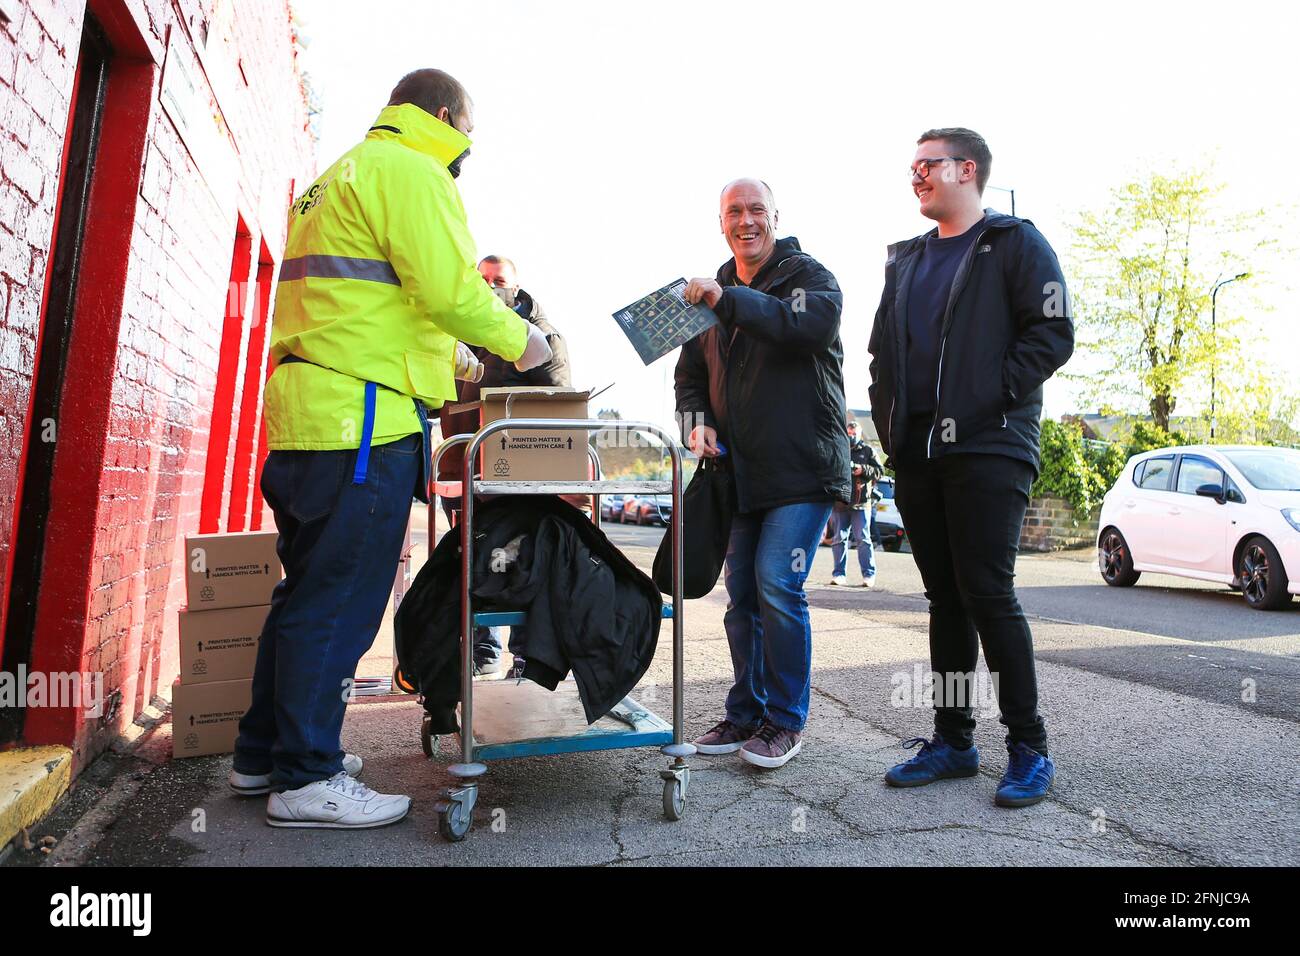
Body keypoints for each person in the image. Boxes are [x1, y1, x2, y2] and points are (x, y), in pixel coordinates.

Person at [229, 69, 552, 829]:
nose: (468, 146)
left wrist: (451, 361)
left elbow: (377, 306)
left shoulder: (338, 174)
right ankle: (305, 778)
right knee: (338, 600)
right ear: (443, 116)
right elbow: (448, 291)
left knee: (305, 590)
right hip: (363, 424)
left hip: (314, 415)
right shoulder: (414, 169)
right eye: (467, 131)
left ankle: (263, 753)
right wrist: (520, 341)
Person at [868, 128, 1073, 807]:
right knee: (945, 599)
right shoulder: (907, 261)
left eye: (929, 164)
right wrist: (895, 428)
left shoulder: (1015, 243)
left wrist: (986, 400)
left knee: (987, 591)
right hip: (920, 452)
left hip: (990, 444)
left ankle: (1029, 748)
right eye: (913, 167)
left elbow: (1052, 332)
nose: (918, 176)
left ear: (969, 169)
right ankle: (954, 740)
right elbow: (880, 358)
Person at [676, 178, 850, 770]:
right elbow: (689, 378)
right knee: (741, 595)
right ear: (720, 223)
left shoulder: (810, 279)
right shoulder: (709, 297)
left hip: (803, 470)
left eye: (756, 210)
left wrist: (724, 301)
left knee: (778, 582)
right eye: (734, 212)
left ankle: (784, 721)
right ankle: (745, 712)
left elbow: (799, 326)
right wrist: (696, 424)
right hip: (739, 474)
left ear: (775, 216)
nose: (745, 220)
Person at [437, 255, 572, 679]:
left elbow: (557, 397)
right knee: (471, 559)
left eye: (500, 281)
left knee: (521, 561)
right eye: (483, 280)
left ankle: (527, 659)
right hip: (462, 468)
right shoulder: (457, 332)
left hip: (519, 474)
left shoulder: (543, 334)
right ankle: (481, 651)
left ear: (517, 287)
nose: (492, 287)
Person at [828, 417, 883, 587]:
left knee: (863, 539)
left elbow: (879, 471)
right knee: (838, 539)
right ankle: (839, 574)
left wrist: (862, 469)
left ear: (859, 434)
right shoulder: (839, 449)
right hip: (840, 502)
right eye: (849, 433)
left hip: (861, 502)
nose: (851, 436)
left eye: (854, 433)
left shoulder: (868, 451)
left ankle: (869, 575)